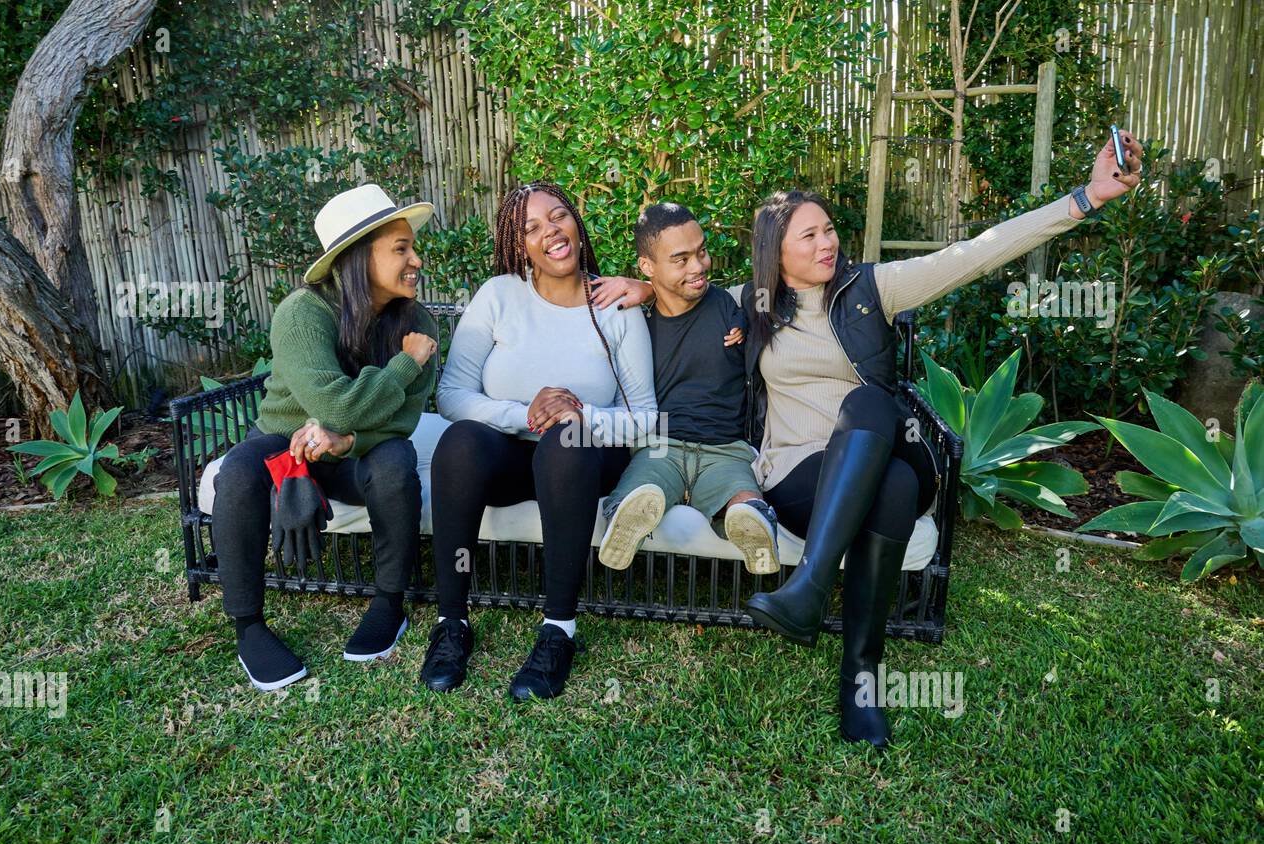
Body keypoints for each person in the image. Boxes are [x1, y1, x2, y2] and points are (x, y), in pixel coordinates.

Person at [599, 132, 1145, 746]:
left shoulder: (871, 289)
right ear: (775, 253)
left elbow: (978, 253)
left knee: (867, 404)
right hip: (803, 477)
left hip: (881, 436)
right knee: (894, 486)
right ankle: (861, 677)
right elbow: (677, 290)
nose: (828, 242)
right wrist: (640, 287)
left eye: (829, 229)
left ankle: (807, 586)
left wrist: (1087, 198)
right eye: (809, 235)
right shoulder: (747, 305)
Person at [424, 182, 657, 701]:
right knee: (460, 441)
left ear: (576, 223)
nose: (550, 231)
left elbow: (645, 419)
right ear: (518, 244)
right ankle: (451, 623)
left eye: (558, 216)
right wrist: (526, 415)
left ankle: (558, 630)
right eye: (531, 227)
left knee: (566, 441)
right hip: (512, 455)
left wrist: (579, 414)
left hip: (585, 460)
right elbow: (452, 394)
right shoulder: (499, 297)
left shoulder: (615, 306)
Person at [210, 184, 440, 691]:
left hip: (352, 456)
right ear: (359, 258)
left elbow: (404, 419)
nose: (416, 260)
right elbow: (332, 402)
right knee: (240, 470)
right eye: (400, 249)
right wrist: (404, 364)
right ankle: (248, 627)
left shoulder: (416, 321)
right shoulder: (304, 313)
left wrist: (347, 439)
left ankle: (388, 603)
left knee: (395, 460)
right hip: (284, 445)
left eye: (411, 247)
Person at [597, 201, 781, 576]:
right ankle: (626, 521)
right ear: (647, 267)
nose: (698, 266)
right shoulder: (634, 323)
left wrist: (746, 331)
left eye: (702, 252)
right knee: (641, 491)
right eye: (680, 259)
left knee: (744, 500)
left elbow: (772, 294)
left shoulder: (731, 306)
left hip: (725, 450)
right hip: (660, 445)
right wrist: (647, 292)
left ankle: (753, 526)